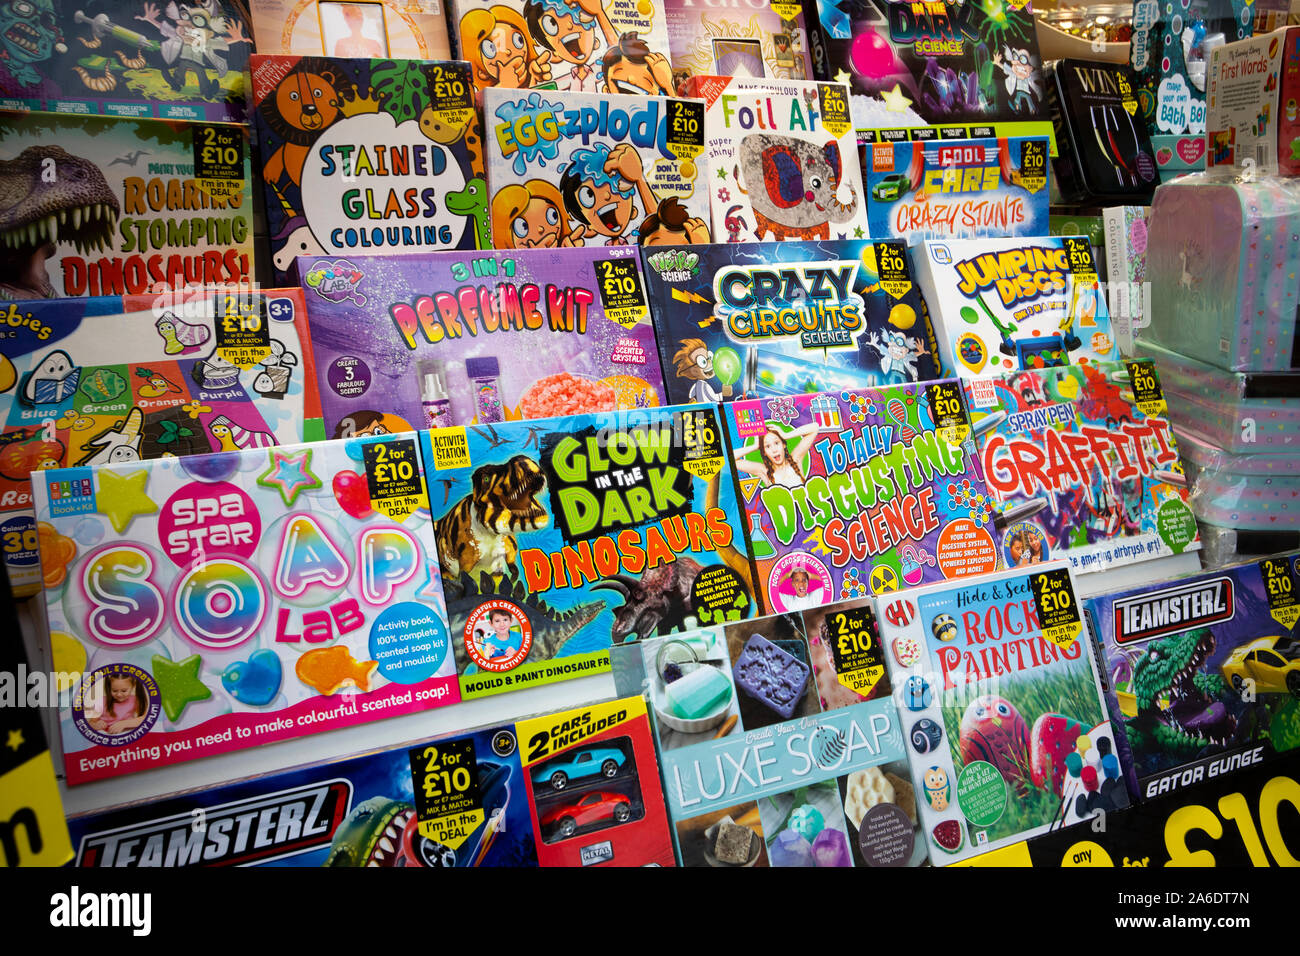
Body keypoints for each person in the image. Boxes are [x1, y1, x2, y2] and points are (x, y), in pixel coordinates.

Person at [732, 421, 819, 488]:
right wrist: (755, 446)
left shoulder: (795, 459)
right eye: (768, 446)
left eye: (777, 443)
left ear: (783, 445)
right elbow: (730, 458)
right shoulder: (764, 471)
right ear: (764, 452)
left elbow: (814, 427)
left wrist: (786, 435)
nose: (774, 450)